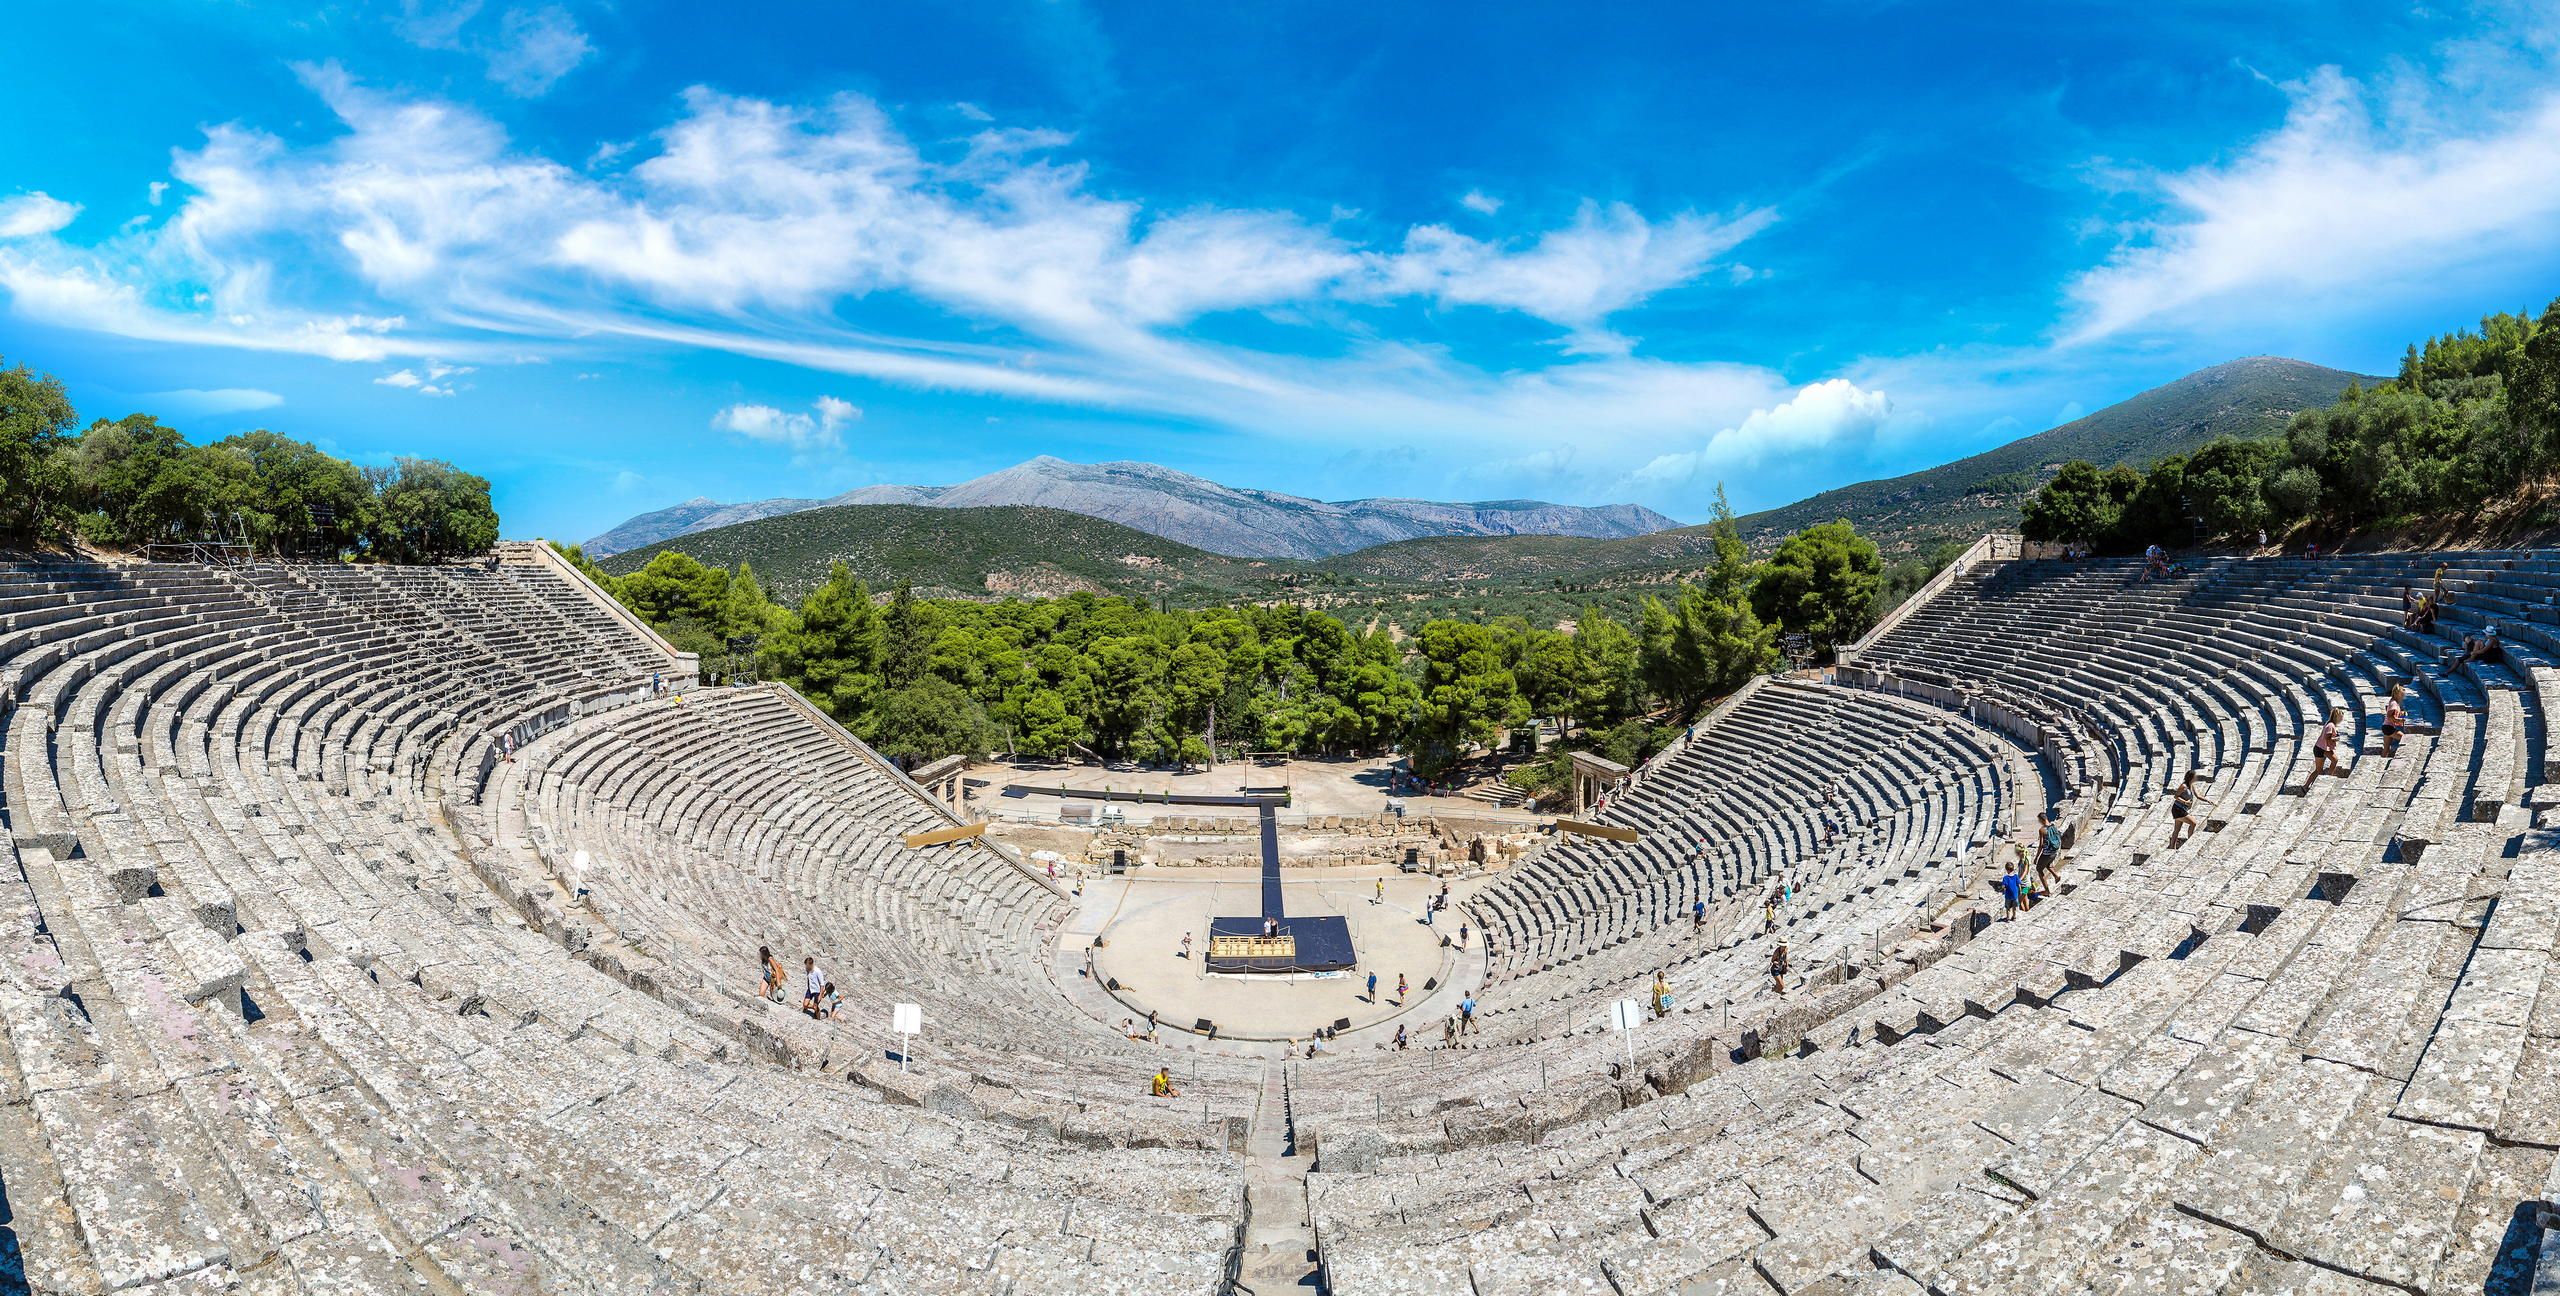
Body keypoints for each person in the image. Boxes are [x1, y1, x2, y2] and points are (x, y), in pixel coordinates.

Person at [2168, 771, 2213, 848]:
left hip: (2182, 809)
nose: (2196, 778)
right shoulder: (2183, 786)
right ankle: (2190, 843)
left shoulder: (2191, 785)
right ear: (2191, 777)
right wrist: (2185, 802)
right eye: (2195, 776)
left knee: (2177, 830)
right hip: (2178, 809)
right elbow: (2176, 796)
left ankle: (2172, 847)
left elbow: (2198, 796)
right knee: (2193, 823)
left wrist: (2207, 800)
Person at [2312, 707, 2346, 780]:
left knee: (2334, 760)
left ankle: (2329, 776)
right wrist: (2336, 739)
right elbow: (2327, 738)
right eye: (2341, 718)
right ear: (2337, 717)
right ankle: (2306, 786)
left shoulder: (2330, 723)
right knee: (2319, 771)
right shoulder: (2330, 725)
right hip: (2320, 749)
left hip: (2323, 748)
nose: (2342, 719)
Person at [2032, 812, 2063, 891]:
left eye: (2039, 820)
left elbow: (2041, 845)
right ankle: (2056, 876)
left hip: (2046, 854)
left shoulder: (2042, 830)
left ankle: (2047, 891)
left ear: (2041, 820)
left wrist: (2036, 858)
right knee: (2048, 865)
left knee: (2039, 869)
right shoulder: (2054, 827)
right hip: (2054, 852)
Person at [2382, 683, 2408, 758]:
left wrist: (2401, 713)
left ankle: (2383, 761)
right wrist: (2400, 720)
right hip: (2389, 728)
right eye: (2402, 695)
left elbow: (2390, 711)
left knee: (2386, 748)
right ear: (2398, 694)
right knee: (2405, 739)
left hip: (2385, 726)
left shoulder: (2393, 701)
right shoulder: (2394, 704)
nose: (2403, 697)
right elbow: (2390, 716)